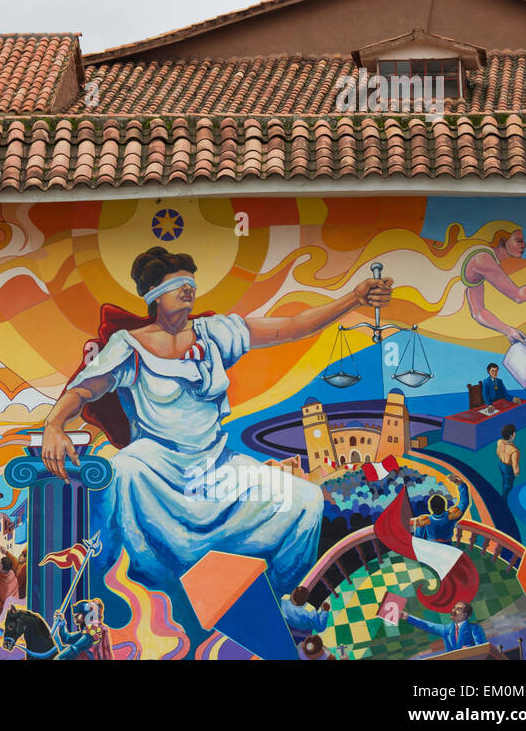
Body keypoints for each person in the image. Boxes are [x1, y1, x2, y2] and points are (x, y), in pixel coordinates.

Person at [41, 245, 392, 598]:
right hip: (153, 465)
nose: (188, 290)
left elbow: (290, 327)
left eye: (190, 284)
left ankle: (284, 601)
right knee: (120, 474)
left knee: (305, 500)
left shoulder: (215, 333)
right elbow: (86, 388)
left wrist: (352, 299)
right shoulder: (129, 345)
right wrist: (54, 425)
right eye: (178, 284)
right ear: (155, 295)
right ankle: (127, 598)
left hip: (217, 466)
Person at [401, 601, 487, 652]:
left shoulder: (475, 629)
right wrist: (407, 617)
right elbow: (427, 626)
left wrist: (469, 649)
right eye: (454, 608)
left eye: (458, 609)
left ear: (465, 615)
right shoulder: (446, 629)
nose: (453, 611)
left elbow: (482, 649)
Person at [413, 476, 470, 543]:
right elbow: (464, 502)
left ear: (431, 508)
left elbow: (418, 539)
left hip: (430, 548)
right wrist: (461, 485)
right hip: (447, 547)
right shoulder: (452, 516)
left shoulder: (424, 520)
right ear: (444, 506)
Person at [497, 426, 520, 500]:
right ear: (511, 436)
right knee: (508, 486)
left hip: (501, 464)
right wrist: (516, 472)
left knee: (504, 483)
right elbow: (515, 465)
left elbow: (497, 453)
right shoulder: (514, 450)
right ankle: (505, 502)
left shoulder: (500, 442)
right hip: (508, 468)